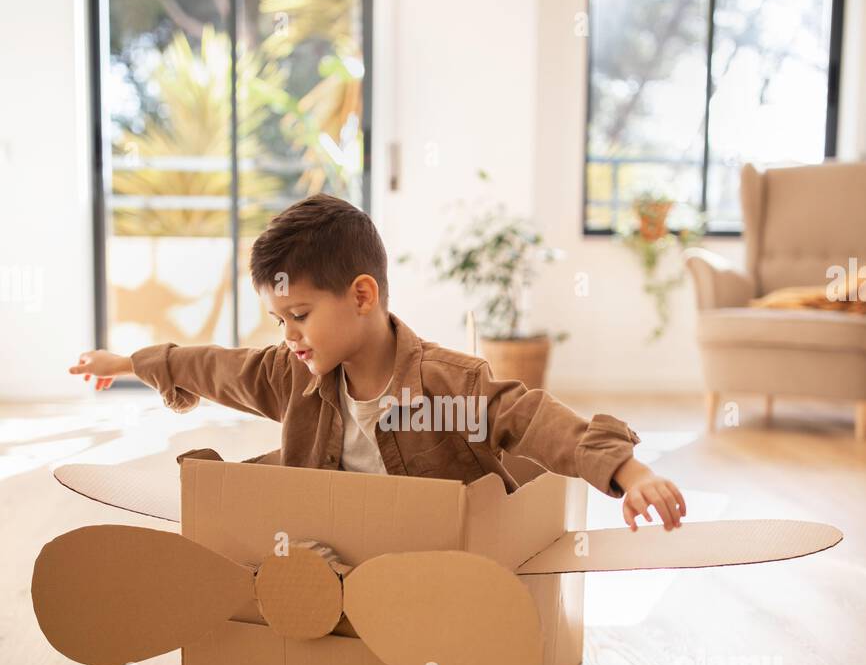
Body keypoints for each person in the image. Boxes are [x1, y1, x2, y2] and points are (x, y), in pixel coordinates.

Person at [70, 194, 686, 532]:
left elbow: (534, 420)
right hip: (337, 541)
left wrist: (630, 474)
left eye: (301, 315)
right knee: (246, 499)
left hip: (435, 554)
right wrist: (128, 360)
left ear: (362, 296)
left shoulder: (449, 386)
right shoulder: (294, 376)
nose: (288, 336)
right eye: (279, 321)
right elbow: (214, 367)